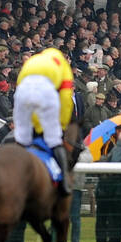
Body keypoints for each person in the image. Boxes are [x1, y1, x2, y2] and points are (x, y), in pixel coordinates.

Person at [12, 47, 75, 197]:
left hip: (21, 91)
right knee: (54, 139)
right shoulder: (63, 66)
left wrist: (33, 125)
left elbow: (23, 91)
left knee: (21, 138)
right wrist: (62, 126)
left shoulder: (33, 60)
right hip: (46, 90)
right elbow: (66, 99)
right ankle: (64, 182)